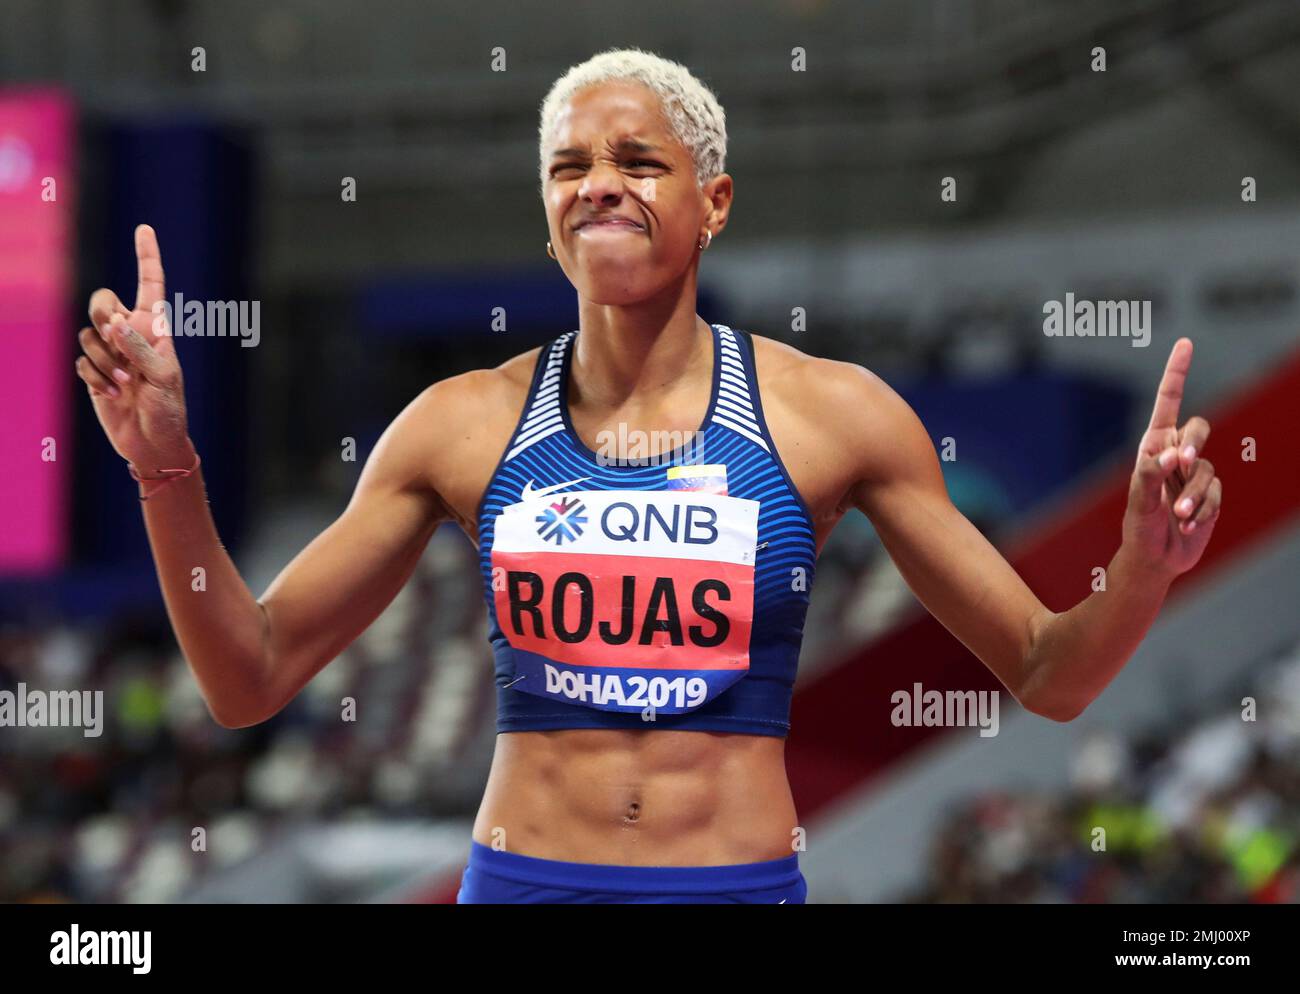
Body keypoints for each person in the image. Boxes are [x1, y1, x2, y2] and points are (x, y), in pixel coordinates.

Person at [74, 48, 1223, 904]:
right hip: (523, 885)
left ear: (713, 201)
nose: (599, 185)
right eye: (570, 166)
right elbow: (248, 674)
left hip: (730, 889)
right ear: (546, 214)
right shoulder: (456, 427)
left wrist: (1142, 567)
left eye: (638, 160)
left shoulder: (834, 415)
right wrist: (166, 469)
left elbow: (1046, 670)